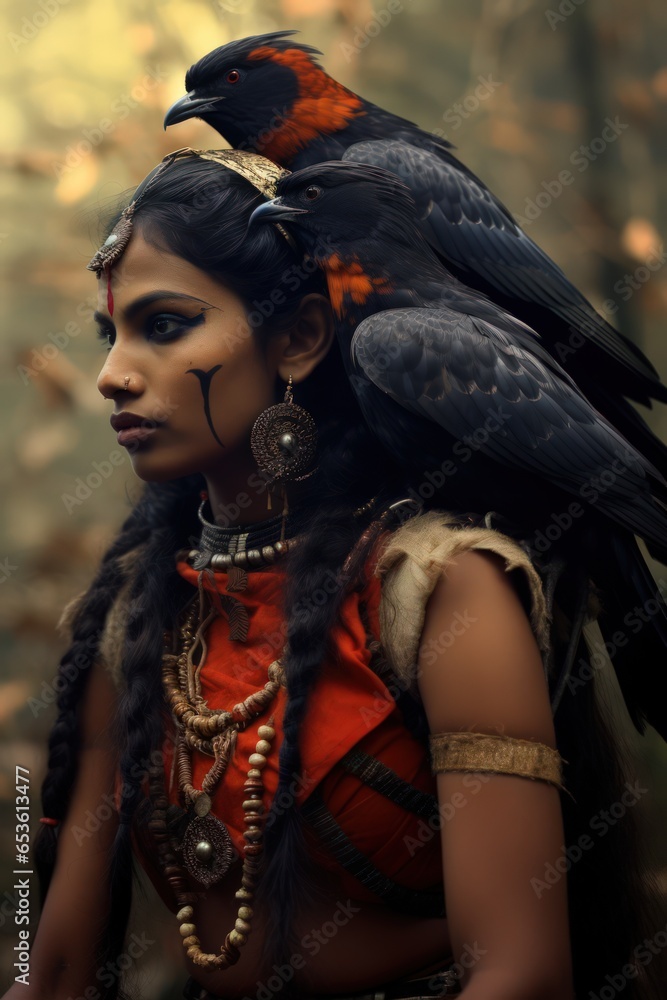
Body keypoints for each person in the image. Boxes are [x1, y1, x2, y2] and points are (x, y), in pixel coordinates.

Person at [4, 146, 664, 1000]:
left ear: (300, 339)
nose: (111, 376)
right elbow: (47, 969)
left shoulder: (437, 590)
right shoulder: (133, 616)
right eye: (110, 333)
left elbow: (521, 973)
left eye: (164, 325)